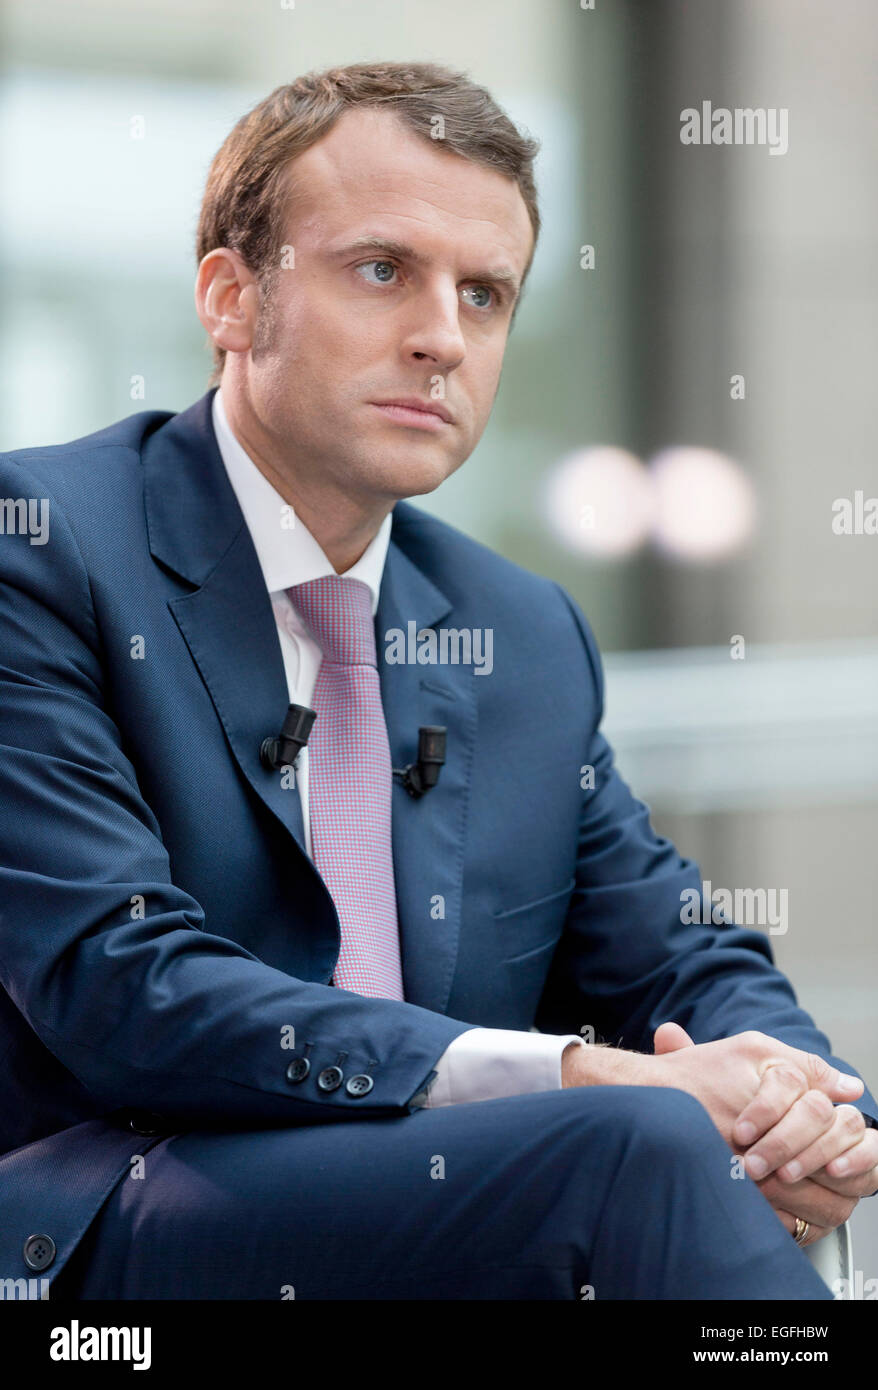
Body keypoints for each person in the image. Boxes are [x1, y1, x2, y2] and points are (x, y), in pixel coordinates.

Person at [0, 61, 875, 1302]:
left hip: (441, 1200)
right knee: (637, 1147)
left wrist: (808, 1102)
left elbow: (674, 948)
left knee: (682, 1147)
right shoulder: (40, 541)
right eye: (381, 271)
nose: (440, 336)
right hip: (115, 1213)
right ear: (230, 296)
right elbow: (120, 986)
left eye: (485, 294)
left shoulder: (516, 631)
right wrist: (588, 1074)